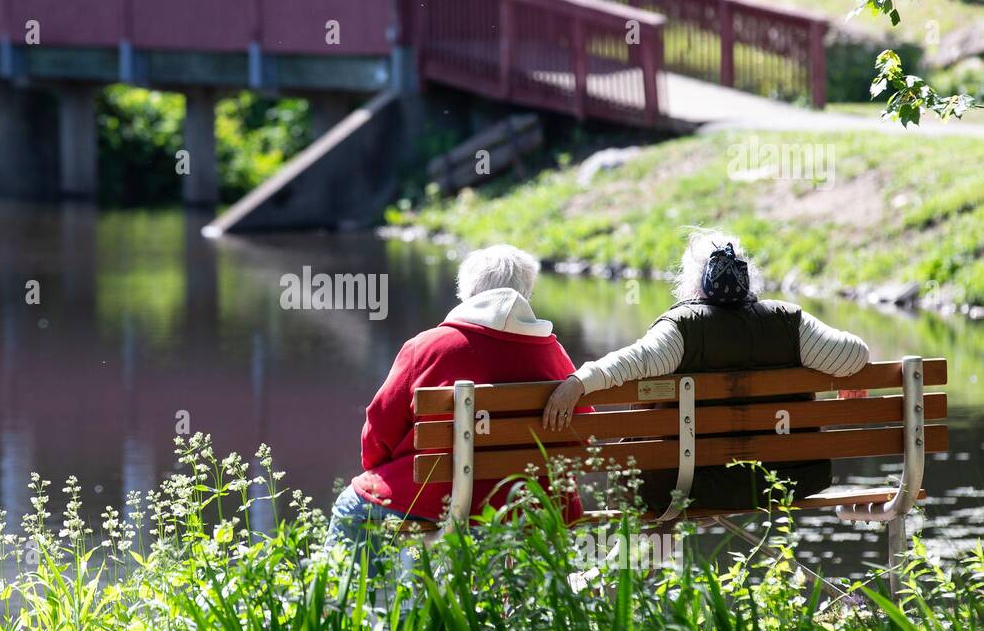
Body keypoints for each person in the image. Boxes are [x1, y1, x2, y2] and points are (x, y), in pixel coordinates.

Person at [541, 229, 870, 513]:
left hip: (690, 483)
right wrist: (846, 377)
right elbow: (855, 354)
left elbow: (631, 361)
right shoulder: (787, 321)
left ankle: (634, 572)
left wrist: (578, 382)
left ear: (692, 280)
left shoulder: (684, 329)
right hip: (789, 479)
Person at [325, 244, 587, 553]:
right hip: (532, 503)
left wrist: (381, 472)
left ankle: (346, 601)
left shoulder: (426, 348)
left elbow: (378, 434)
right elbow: (580, 435)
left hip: (434, 498)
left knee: (351, 508)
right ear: (525, 296)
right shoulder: (553, 354)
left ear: (467, 293)